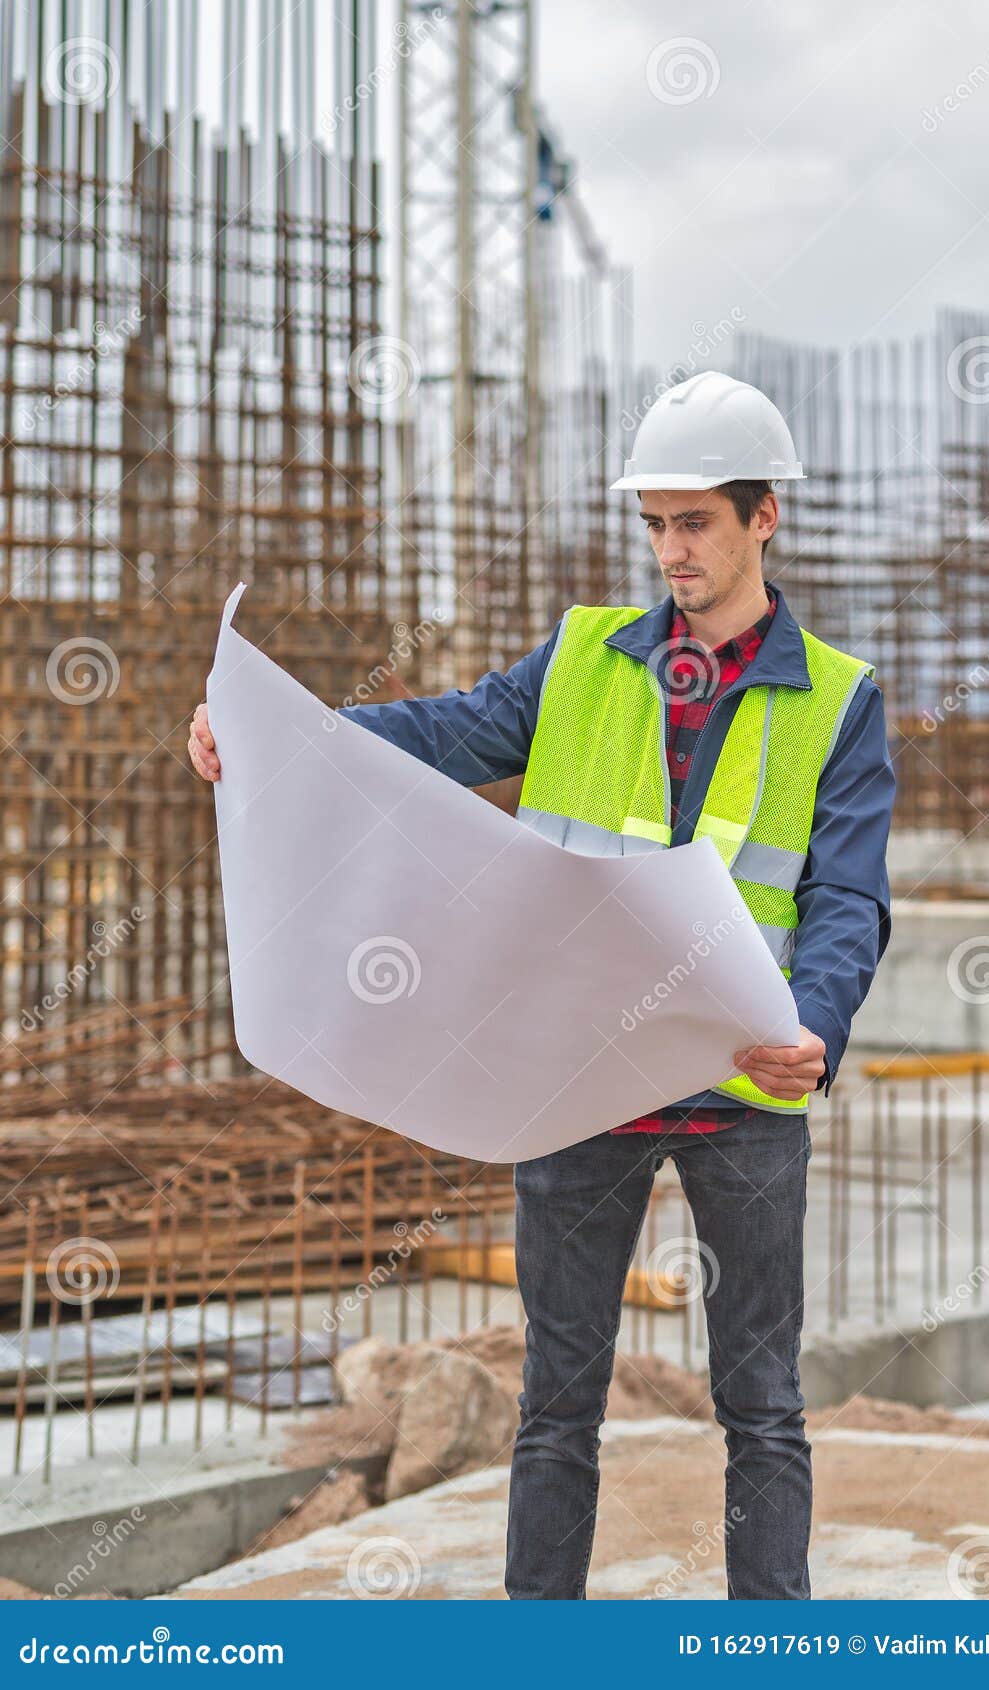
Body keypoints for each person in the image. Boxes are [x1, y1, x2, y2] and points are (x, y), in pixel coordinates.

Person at [189, 370, 895, 1601]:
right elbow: (438, 736)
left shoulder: (839, 698)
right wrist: (262, 734)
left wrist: (819, 1029)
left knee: (764, 1407)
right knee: (557, 1408)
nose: (672, 550)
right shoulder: (584, 661)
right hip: (580, 1082)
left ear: (762, 517)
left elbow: (846, 897)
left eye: (697, 523)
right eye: (657, 524)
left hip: (745, 1088)